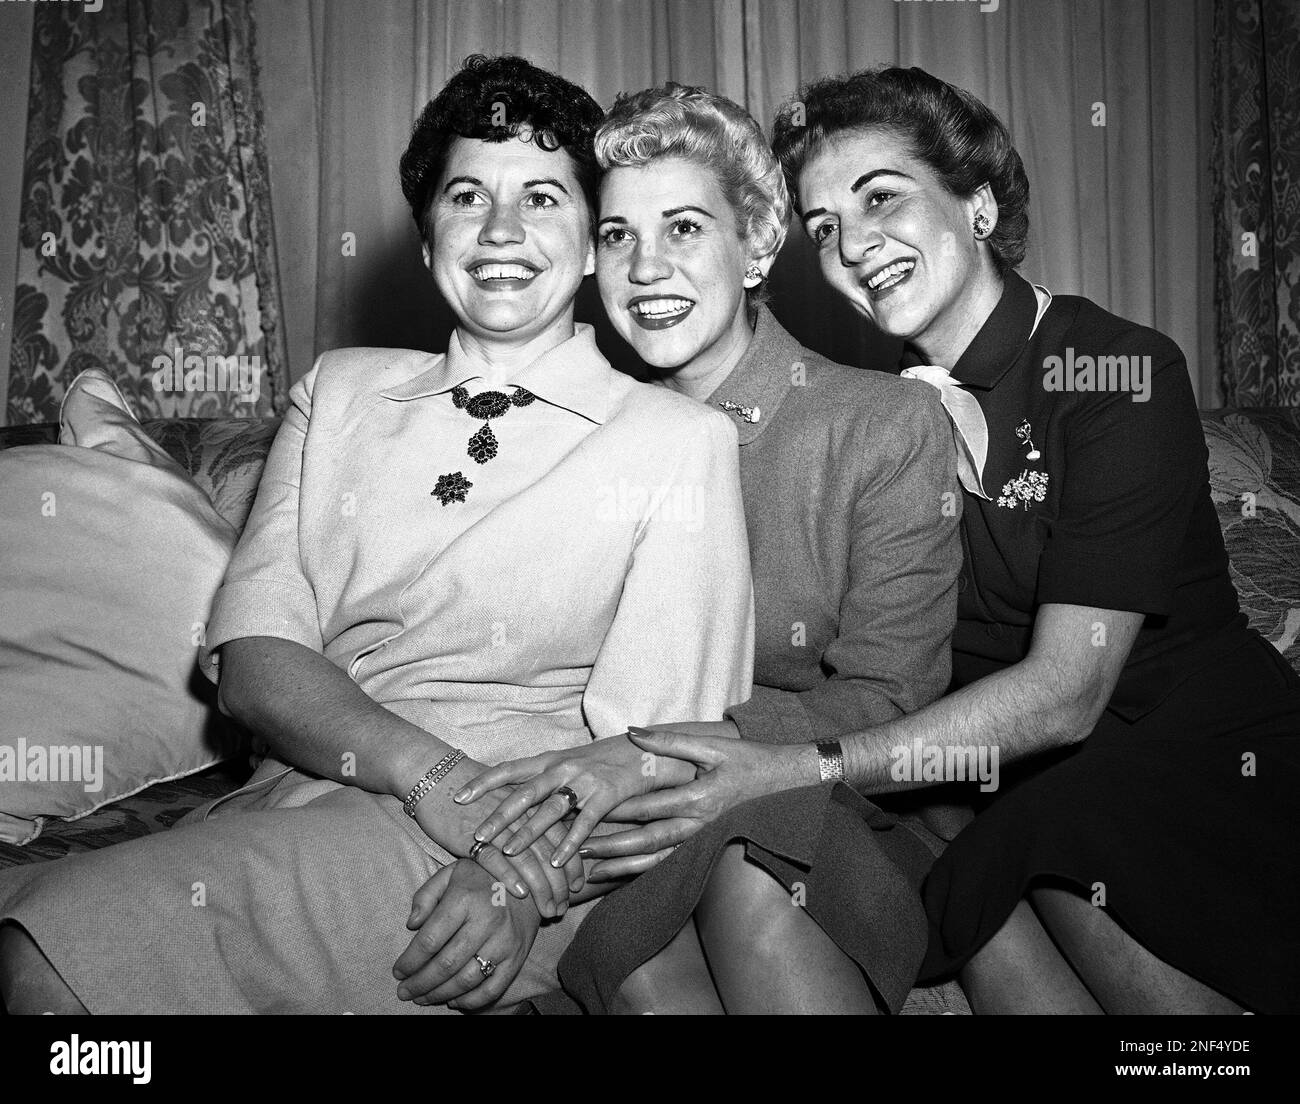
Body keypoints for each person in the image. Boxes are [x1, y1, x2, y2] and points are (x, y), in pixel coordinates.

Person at [0, 55, 753, 1015]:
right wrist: (427, 774)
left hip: (508, 856)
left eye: (545, 199)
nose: (502, 232)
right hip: (322, 799)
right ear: (428, 229)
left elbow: (662, 749)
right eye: (468, 195)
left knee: (53, 961)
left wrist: (517, 877)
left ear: (598, 242)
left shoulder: (676, 442)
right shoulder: (340, 391)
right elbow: (256, 660)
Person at [544, 65, 1300, 1014]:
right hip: (1007, 784)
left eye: (883, 199)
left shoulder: (1116, 372)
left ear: (978, 206)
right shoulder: (883, 415)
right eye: (825, 229)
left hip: (1185, 751)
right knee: (975, 887)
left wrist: (800, 764)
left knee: (1051, 860)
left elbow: (1066, 695)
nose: (856, 246)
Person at [451, 83, 965, 1014]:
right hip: (618, 804)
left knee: (745, 873)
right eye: (616, 236)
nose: (646, 268)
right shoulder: (563, 428)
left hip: (831, 798)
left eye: (684, 227)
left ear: (760, 242)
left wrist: (660, 753)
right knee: (639, 948)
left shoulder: (882, 423)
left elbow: (894, 691)